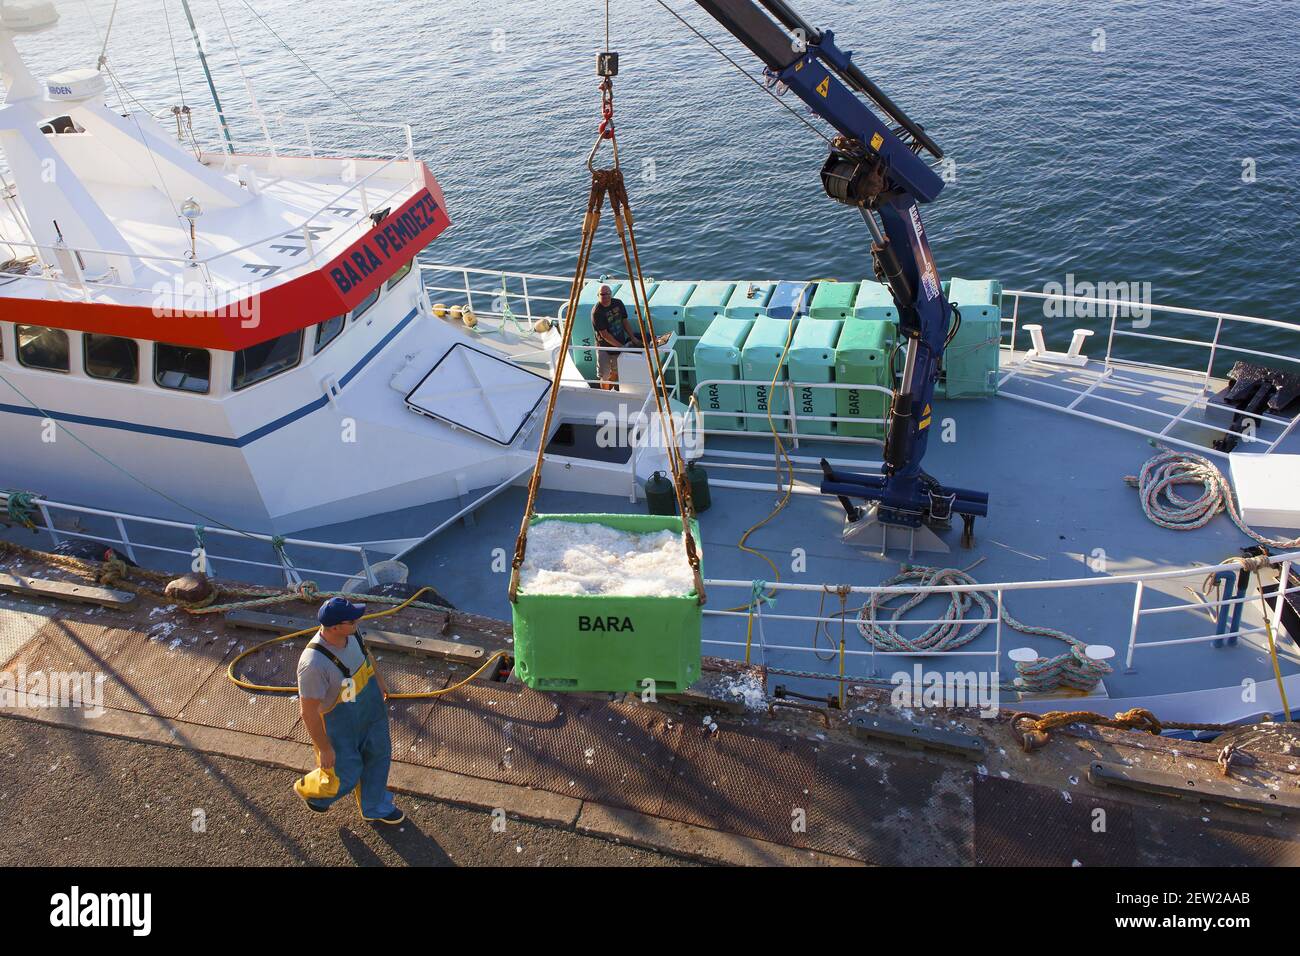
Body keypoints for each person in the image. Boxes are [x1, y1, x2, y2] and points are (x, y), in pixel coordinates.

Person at [294, 596, 404, 824]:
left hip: (370, 708)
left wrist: (381, 683)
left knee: (379, 754)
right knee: (346, 773)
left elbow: (366, 657)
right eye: (352, 620)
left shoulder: (351, 633)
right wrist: (324, 749)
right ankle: (314, 794)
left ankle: (374, 807)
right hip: (340, 722)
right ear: (335, 627)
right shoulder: (313, 664)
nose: (358, 622)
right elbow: (308, 712)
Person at [590, 284, 670, 390]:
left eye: (607, 293)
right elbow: (605, 335)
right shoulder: (597, 312)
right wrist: (622, 347)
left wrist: (633, 338)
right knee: (604, 375)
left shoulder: (618, 303)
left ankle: (612, 390)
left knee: (616, 370)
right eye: (602, 294)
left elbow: (625, 321)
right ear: (598, 295)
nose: (605, 296)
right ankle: (605, 393)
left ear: (611, 294)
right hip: (604, 347)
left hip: (619, 342)